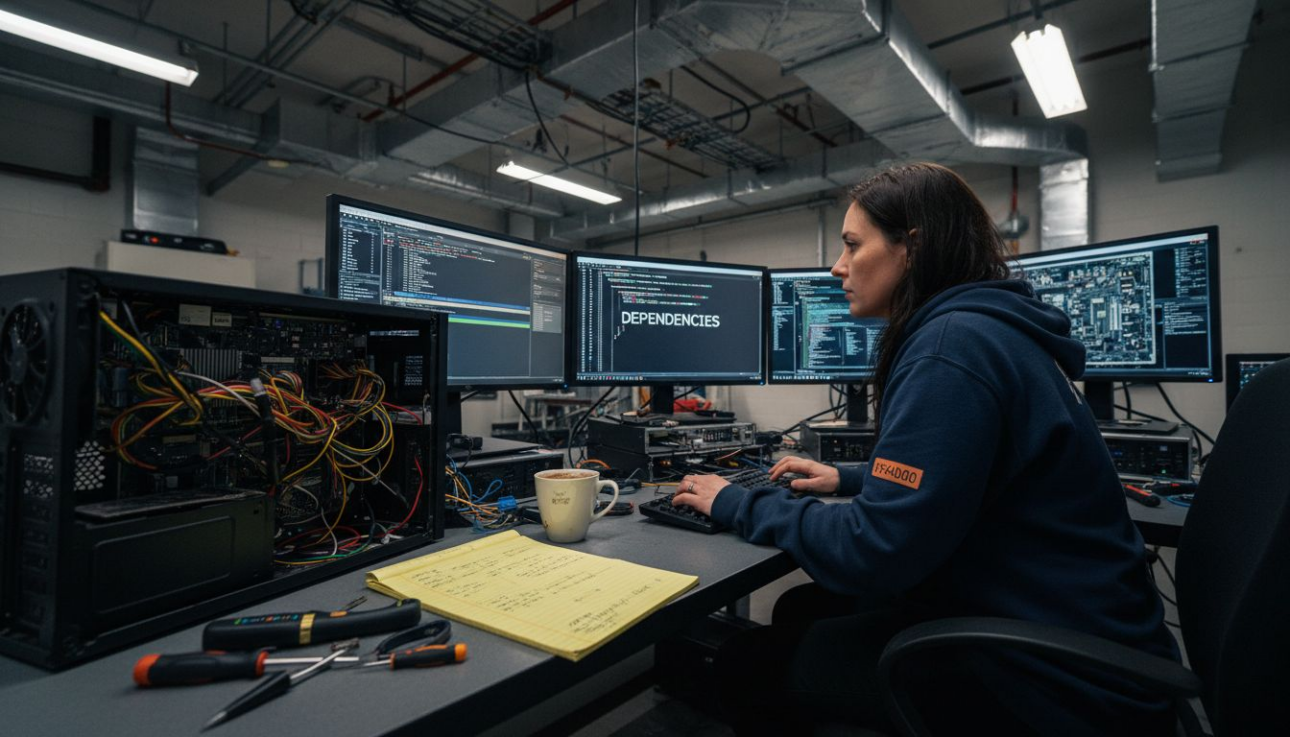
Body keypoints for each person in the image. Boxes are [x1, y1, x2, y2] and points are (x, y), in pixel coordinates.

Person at [670, 163, 1179, 735]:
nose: (837, 267)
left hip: (1052, 679)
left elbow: (873, 550)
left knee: (750, 664)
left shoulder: (949, 348)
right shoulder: (991, 330)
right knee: (798, 609)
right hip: (1081, 635)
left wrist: (737, 503)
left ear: (911, 247)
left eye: (853, 245)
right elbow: (976, 473)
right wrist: (853, 477)